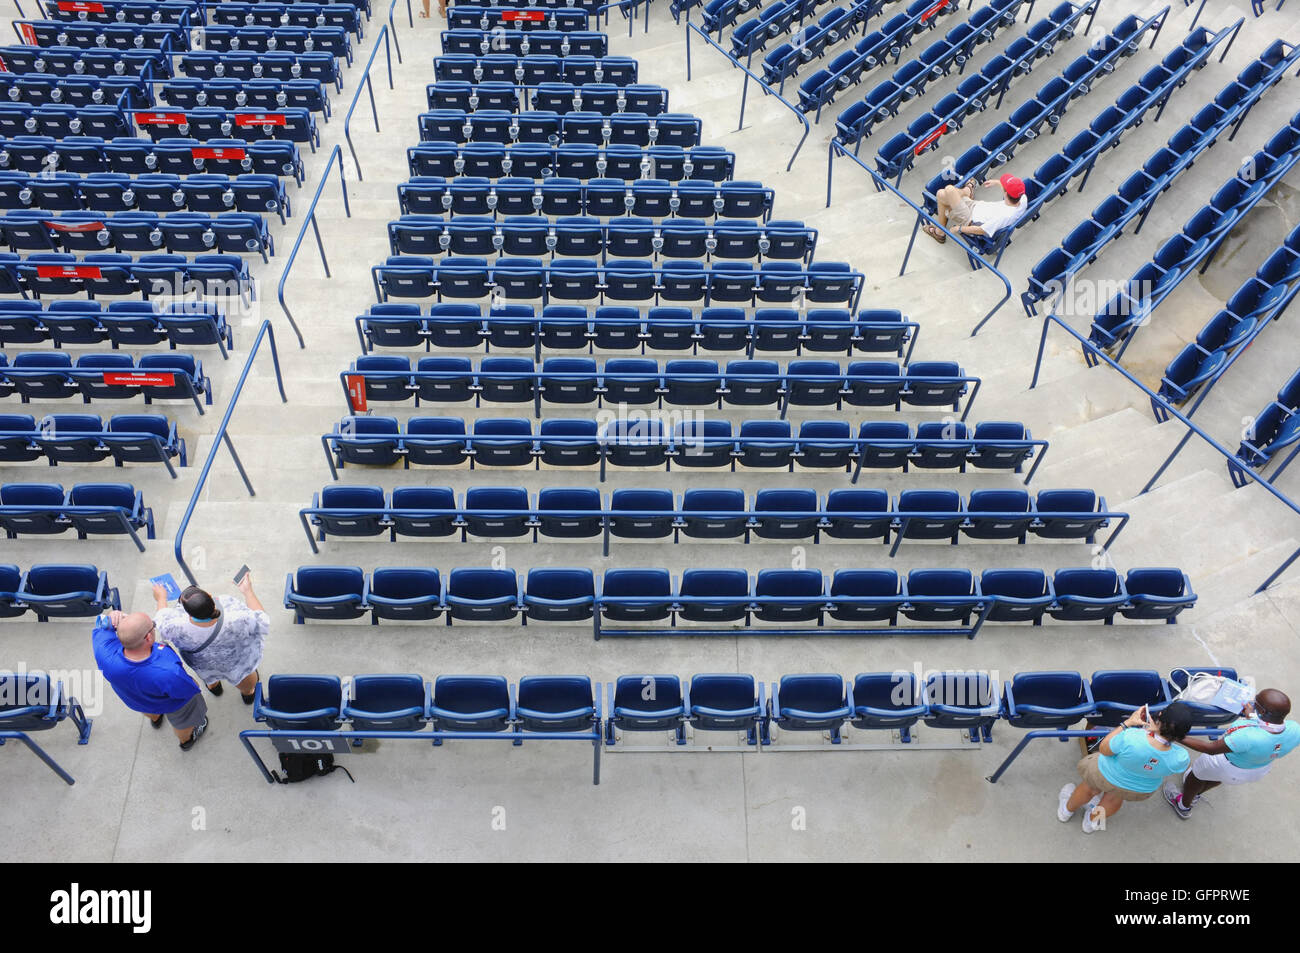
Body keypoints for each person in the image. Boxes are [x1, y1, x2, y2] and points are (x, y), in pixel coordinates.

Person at [1057, 701, 1193, 833]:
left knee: (1089, 789)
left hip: (1106, 774)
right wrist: (1165, 732)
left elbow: (1104, 749)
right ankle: (1091, 823)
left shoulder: (1131, 736)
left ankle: (1065, 811)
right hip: (1138, 789)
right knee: (1113, 798)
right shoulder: (1181, 757)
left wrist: (1127, 723)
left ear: (1160, 715)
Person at [1164, 688, 1300, 819]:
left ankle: (1183, 805)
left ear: (1263, 711)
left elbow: (1210, 748)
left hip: (1225, 763)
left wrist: (1174, 736)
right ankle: (1197, 794)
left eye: (1256, 704)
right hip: (1257, 768)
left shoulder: (1247, 737)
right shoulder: (1295, 729)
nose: (1252, 704)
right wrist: (1252, 716)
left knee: (1194, 778)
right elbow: (1270, 732)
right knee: (1216, 778)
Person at [91, 609, 209, 750]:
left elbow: (102, 624)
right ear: (148, 637)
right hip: (172, 705)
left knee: (146, 707)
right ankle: (186, 740)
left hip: (135, 700)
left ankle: (155, 718)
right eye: (153, 625)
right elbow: (188, 691)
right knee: (183, 721)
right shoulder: (168, 671)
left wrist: (114, 617)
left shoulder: (104, 652)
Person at [153, 574, 268, 705]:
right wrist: (248, 591)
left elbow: (160, 619)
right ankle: (248, 694)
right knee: (246, 681)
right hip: (237, 664)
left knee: (210, 677)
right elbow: (262, 620)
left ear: (187, 612)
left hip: (204, 666)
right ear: (209, 595)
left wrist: (161, 598)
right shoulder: (233, 611)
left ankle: (215, 687)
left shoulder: (175, 627)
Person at [924, 173, 1027, 244]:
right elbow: (1008, 189)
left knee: (949, 190)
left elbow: (981, 230)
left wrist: (958, 228)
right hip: (976, 206)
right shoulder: (1022, 199)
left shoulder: (1005, 216)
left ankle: (967, 190)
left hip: (969, 220)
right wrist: (996, 182)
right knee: (941, 194)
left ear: (1005, 194)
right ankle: (939, 233)